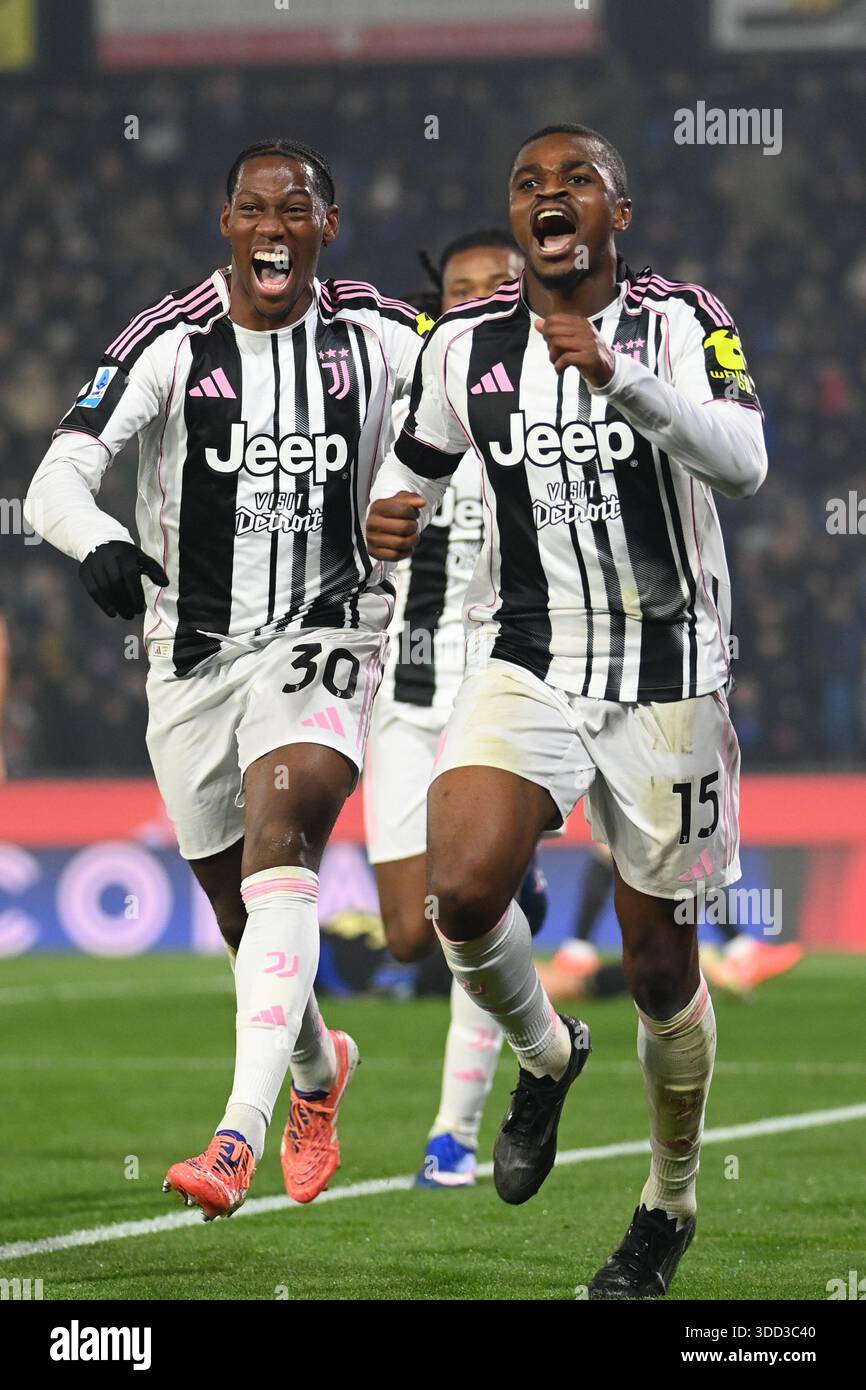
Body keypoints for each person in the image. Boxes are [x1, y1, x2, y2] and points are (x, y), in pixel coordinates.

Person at [367, 122, 767, 1298]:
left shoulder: (685, 320)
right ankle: (545, 1054)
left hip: (667, 674)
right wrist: (391, 514)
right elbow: (413, 467)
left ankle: (667, 1204)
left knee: (655, 965)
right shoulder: (461, 348)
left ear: (614, 215)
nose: (549, 195)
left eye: (574, 181)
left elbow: (742, 462)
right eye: (528, 182)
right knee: (461, 887)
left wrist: (617, 376)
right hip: (529, 656)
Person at [25, 138, 430, 1220]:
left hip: (328, 630)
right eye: (252, 208)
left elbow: (478, 401)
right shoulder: (168, 340)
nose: (271, 225)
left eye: (293, 208)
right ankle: (315, 1069)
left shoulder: (379, 332)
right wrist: (95, 541)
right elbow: (57, 473)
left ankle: (234, 1138)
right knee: (241, 912)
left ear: (324, 227)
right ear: (226, 226)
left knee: (284, 835)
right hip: (190, 657)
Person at [364, 229, 537, 1187]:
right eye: (459, 288)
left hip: (503, 689)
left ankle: (454, 1133)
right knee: (405, 932)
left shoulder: (538, 403)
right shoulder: (405, 409)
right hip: (403, 697)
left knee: (472, 909)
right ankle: (528, 898)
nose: (477, 299)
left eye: (495, 285)